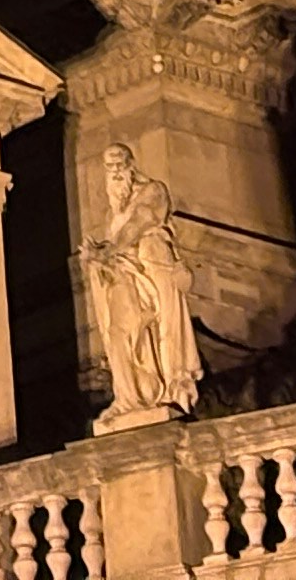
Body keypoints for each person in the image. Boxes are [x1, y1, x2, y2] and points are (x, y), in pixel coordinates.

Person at [85, 142, 201, 422]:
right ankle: (128, 397)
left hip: (155, 265)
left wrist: (109, 250)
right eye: (108, 166)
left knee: (166, 334)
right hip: (123, 273)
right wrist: (97, 257)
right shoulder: (110, 213)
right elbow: (116, 240)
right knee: (117, 333)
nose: (114, 172)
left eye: (119, 164)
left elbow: (142, 220)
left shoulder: (153, 190)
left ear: (131, 164)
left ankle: (169, 388)